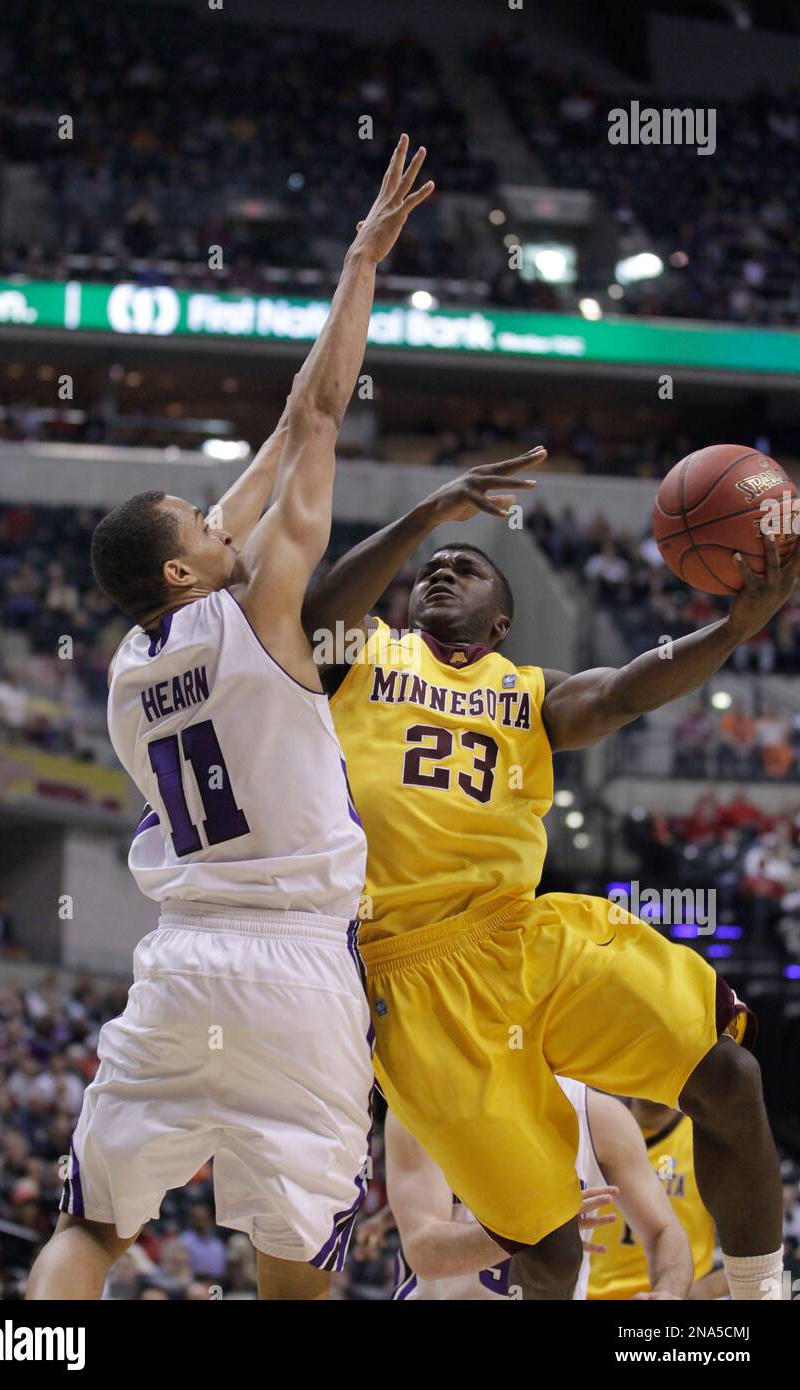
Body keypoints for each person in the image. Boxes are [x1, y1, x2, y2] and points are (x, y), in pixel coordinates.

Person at [26, 135, 434, 1303]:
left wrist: (241, 483)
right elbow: (312, 420)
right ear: (183, 571)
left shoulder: (123, 669)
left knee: (94, 1224)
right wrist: (360, 263)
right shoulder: (260, 615)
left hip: (182, 965)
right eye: (195, 524)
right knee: (290, 1251)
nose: (216, 521)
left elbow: (252, 472)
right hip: (300, 967)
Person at [301, 467, 800, 1300]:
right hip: (411, 972)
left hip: (523, 935)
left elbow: (627, 691)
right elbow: (319, 613)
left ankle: (759, 1297)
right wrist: (427, 514)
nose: (441, 570)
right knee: (550, 1241)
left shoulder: (530, 694)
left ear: (500, 622)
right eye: (433, 565)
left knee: (729, 1076)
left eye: (466, 566)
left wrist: (730, 631)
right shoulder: (360, 658)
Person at [384, 1080, 691, 1301]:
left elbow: (665, 1232)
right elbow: (424, 1252)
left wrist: (668, 1291)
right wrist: (528, 1230)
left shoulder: (600, 1117)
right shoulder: (422, 1101)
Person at [586, 1098, 726, 1301]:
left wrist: (706, 1291)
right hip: (588, 1292)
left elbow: (763, 1244)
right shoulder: (598, 1126)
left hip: (677, 1289)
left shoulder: (709, 1143)